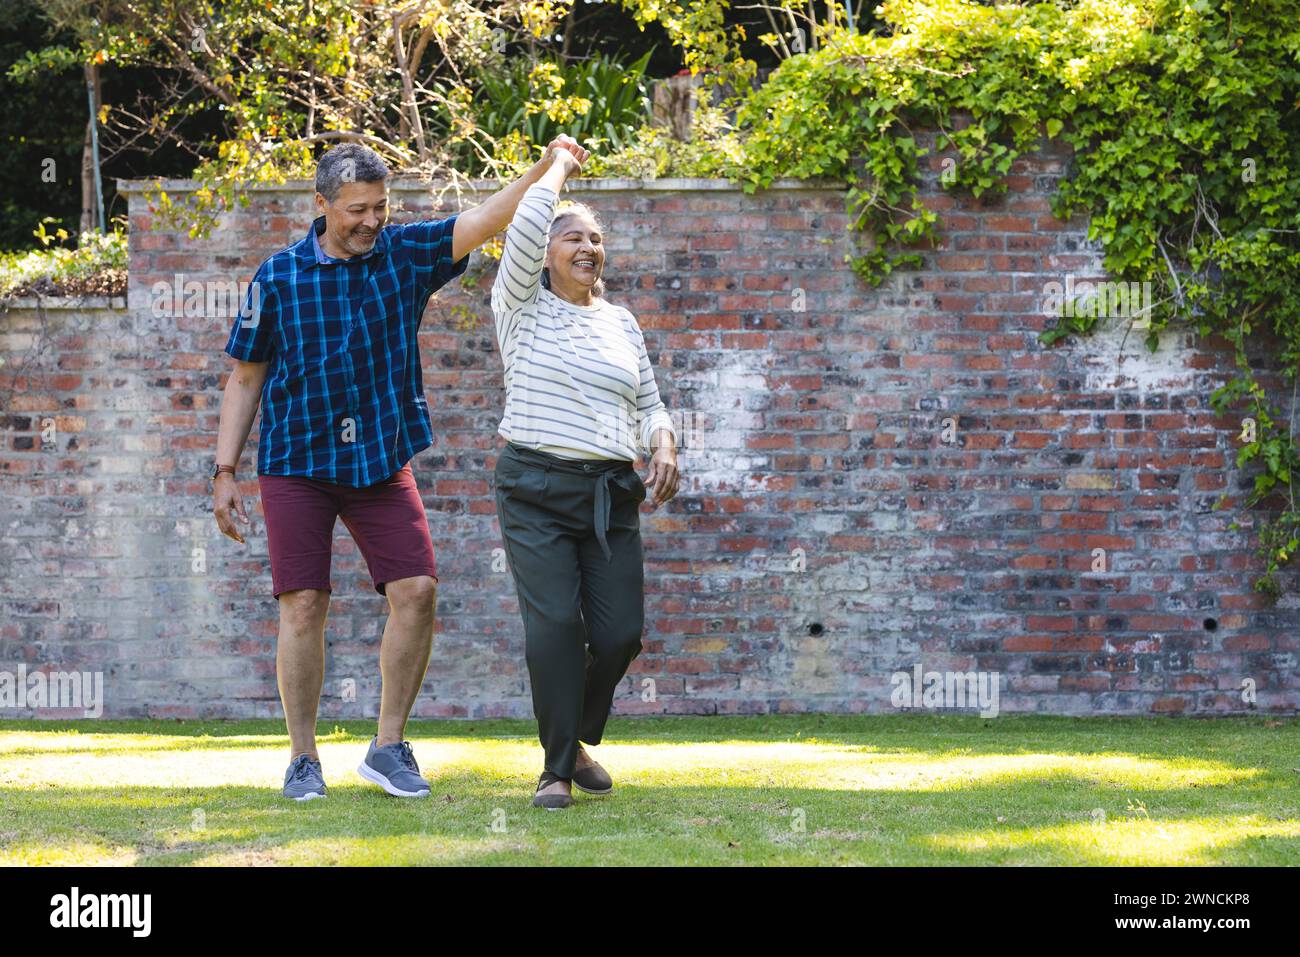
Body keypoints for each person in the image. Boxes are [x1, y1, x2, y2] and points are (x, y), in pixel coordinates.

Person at [212, 136, 592, 801]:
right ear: (322, 203)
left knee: (416, 590)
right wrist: (224, 469)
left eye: (380, 207)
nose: (370, 221)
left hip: (381, 460)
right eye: (356, 209)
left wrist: (547, 167)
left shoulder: (407, 255)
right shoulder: (277, 277)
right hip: (296, 462)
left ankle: (388, 746)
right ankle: (303, 758)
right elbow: (246, 377)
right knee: (304, 603)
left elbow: (488, 218)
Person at [490, 140, 682, 809]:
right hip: (534, 488)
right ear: (544, 252)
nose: (588, 247)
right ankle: (555, 770)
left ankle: (574, 738)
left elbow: (652, 401)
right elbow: (520, 227)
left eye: (596, 239)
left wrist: (664, 445)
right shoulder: (521, 306)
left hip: (609, 492)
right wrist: (557, 171)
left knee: (619, 632)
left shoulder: (621, 323)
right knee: (554, 630)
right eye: (573, 236)